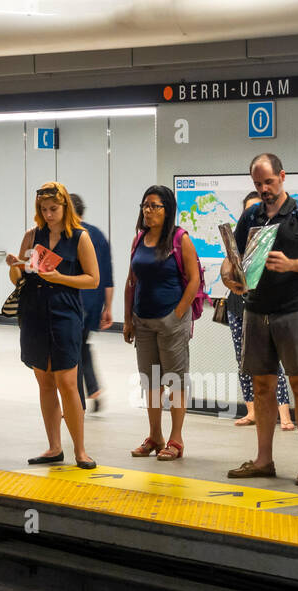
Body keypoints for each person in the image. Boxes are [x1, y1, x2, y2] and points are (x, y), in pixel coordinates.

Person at [221, 153, 298, 485]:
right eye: (257, 183)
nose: (263, 189)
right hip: (256, 311)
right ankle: (263, 459)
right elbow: (232, 259)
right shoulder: (251, 215)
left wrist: (292, 265)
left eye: (268, 181)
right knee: (262, 385)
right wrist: (229, 277)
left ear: (282, 176)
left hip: (296, 312)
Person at [6, 181, 99, 469]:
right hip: (34, 312)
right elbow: (19, 279)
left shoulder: (80, 238)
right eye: (44, 209)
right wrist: (16, 265)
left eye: (54, 209)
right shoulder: (32, 235)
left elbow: (92, 279)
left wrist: (60, 278)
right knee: (44, 381)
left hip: (65, 313)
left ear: (65, 207)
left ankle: (80, 450)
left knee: (68, 383)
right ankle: (54, 447)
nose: (49, 214)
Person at [122, 185, 199, 461]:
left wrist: (177, 314)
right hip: (142, 320)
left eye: (155, 206)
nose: (148, 210)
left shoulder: (180, 239)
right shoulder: (138, 240)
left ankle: (176, 439)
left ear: (167, 210)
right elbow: (131, 281)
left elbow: (194, 281)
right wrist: (128, 318)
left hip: (170, 321)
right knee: (151, 381)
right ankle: (155, 436)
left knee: (175, 380)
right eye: (145, 205)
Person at [227, 191, 294, 430]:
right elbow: (229, 267)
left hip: (268, 305)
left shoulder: (275, 240)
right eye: (249, 210)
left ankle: (284, 415)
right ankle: (252, 411)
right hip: (238, 306)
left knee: (273, 361)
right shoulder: (240, 238)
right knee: (243, 360)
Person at [69, 193, 114, 413]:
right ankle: (93, 389)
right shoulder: (97, 234)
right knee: (81, 346)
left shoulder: (70, 235)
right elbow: (107, 275)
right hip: (94, 302)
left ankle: (76, 401)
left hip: (74, 301)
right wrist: (109, 308)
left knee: (71, 349)